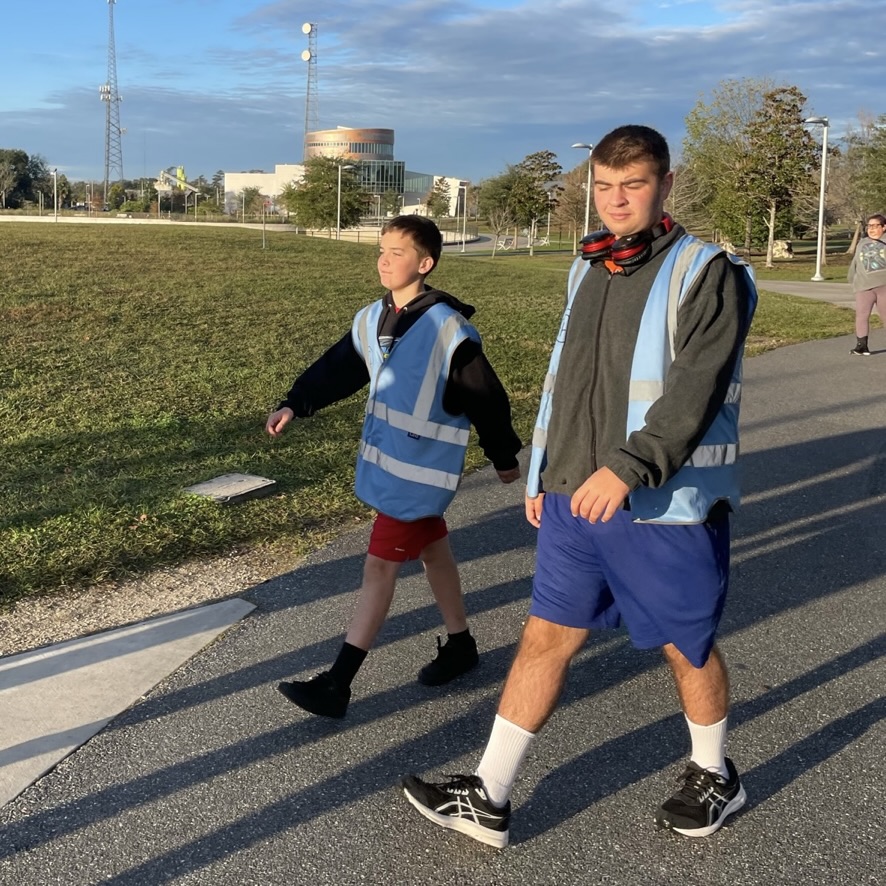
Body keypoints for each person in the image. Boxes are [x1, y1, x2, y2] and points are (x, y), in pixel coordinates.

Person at [401, 125, 758, 846]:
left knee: (684, 644)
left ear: (665, 185)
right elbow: (564, 382)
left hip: (661, 504)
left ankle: (715, 772)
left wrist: (626, 469)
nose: (615, 200)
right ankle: (490, 793)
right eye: (603, 186)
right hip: (573, 498)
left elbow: (694, 392)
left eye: (633, 185)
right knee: (546, 636)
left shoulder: (707, 271)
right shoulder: (588, 267)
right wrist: (543, 469)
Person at [266, 215, 521, 719]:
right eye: (381, 251)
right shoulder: (371, 318)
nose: (384, 261)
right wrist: (296, 402)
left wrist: (504, 454)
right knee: (434, 551)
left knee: (379, 567)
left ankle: (337, 684)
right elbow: (337, 369)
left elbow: (486, 396)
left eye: (397, 253)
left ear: (425, 264)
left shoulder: (449, 329)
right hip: (393, 469)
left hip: (418, 475)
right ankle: (461, 645)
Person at [847, 213, 886, 356]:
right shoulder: (862, 242)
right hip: (864, 286)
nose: (872, 229)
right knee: (861, 315)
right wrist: (851, 278)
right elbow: (855, 262)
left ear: (884, 227)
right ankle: (861, 346)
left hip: (884, 286)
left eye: (875, 226)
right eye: (869, 226)